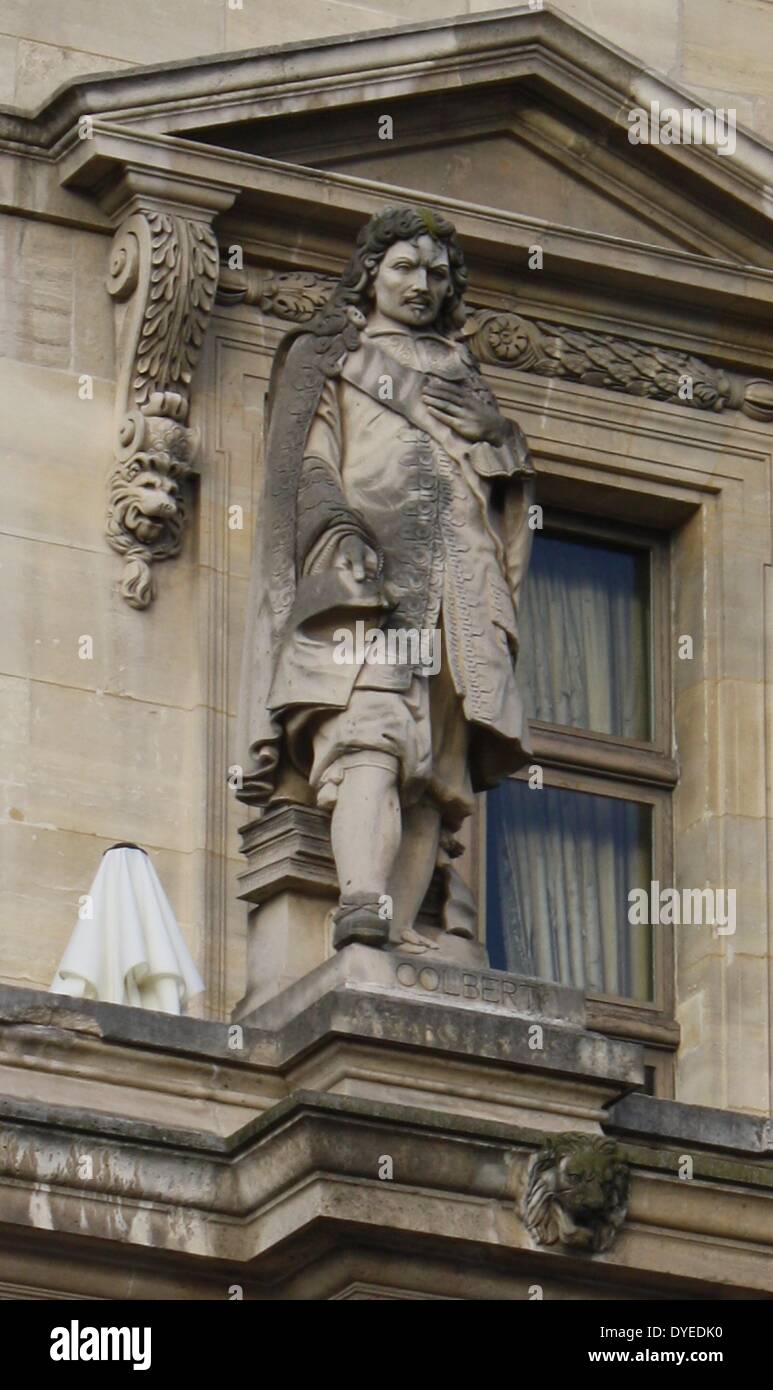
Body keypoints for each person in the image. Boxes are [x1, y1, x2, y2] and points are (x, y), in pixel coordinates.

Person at [237, 205, 535, 951]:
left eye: (436, 273)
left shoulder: (469, 380)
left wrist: (494, 437)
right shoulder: (329, 356)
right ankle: (360, 905)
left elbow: (503, 497)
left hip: (460, 590)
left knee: (438, 772)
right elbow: (305, 464)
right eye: (404, 266)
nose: (421, 284)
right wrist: (335, 530)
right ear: (370, 274)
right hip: (370, 583)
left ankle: (397, 930)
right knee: (369, 733)